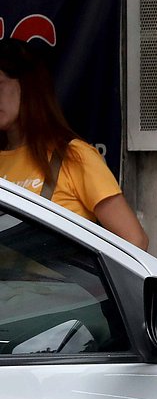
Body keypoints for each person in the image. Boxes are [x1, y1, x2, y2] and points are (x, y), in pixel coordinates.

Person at [0, 40, 148, 249]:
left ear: (28, 87)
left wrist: (92, 282)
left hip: (61, 282)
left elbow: (135, 240)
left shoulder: (74, 156)